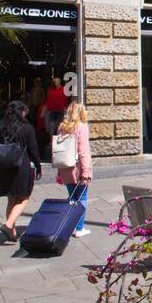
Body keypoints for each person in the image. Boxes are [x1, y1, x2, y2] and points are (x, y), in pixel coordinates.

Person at [0, 99, 42, 242]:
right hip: (21, 168)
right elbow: (33, 150)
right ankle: (8, 225)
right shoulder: (27, 128)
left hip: (5, 169)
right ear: (21, 112)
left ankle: (12, 233)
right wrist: (38, 166)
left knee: (11, 199)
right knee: (24, 198)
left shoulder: (1, 128)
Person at [54, 100, 93, 237]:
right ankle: (79, 228)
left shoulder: (62, 127)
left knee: (72, 197)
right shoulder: (82, 127)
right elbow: (83, 151)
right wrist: (86, 172)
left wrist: (59, 171)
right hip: (78, 168)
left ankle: (71, 226)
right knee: (81, 197)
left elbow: (59, 151)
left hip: (66, 168)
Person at [42, 75, 69, 140]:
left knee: (59, 125)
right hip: (52, 111)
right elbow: (48, 99)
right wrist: (47, 109)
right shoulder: (50, 90)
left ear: (59, 82)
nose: (55, 83)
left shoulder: (63, 89)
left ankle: (59, 139)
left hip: (60, 110)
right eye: (54, 81)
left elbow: (66, 100)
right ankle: (52, 140)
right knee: (51, 126)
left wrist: (66, 108)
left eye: (57, 81)